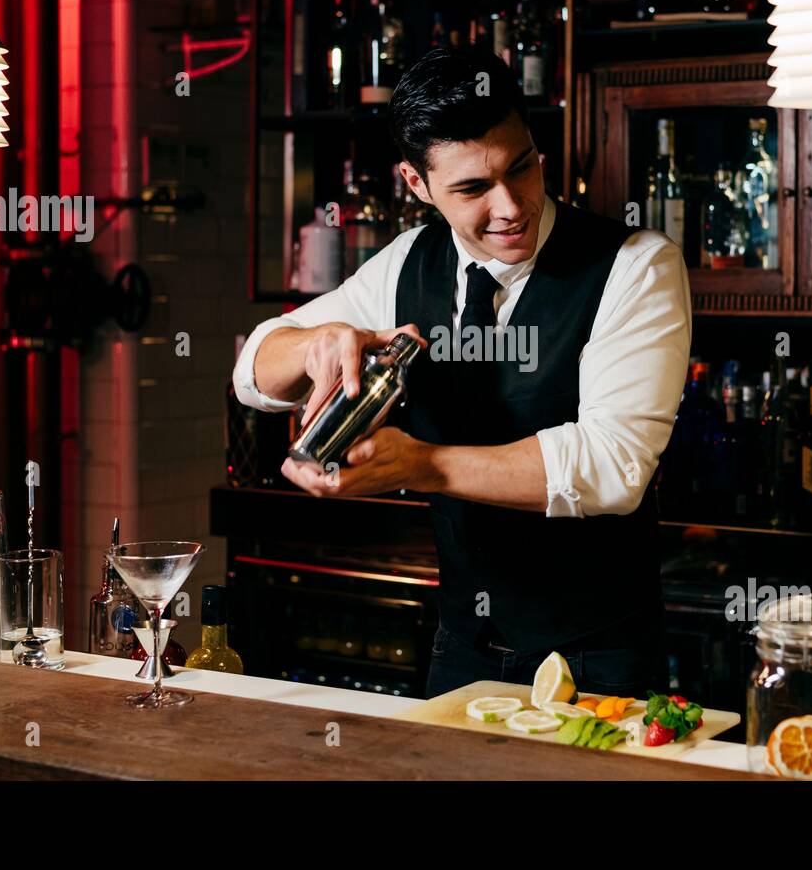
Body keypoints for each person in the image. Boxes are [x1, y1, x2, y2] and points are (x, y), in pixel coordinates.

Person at [233, 45, 691, 698]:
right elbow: (253, 368)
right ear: (416, 184)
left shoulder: (634, 265)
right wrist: (315, 344)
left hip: (597, 659)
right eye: (473, 188)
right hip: (460, 651)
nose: (509, 206)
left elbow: (613, 467)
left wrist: (425, 464)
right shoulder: (407, 262)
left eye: (522, 167)